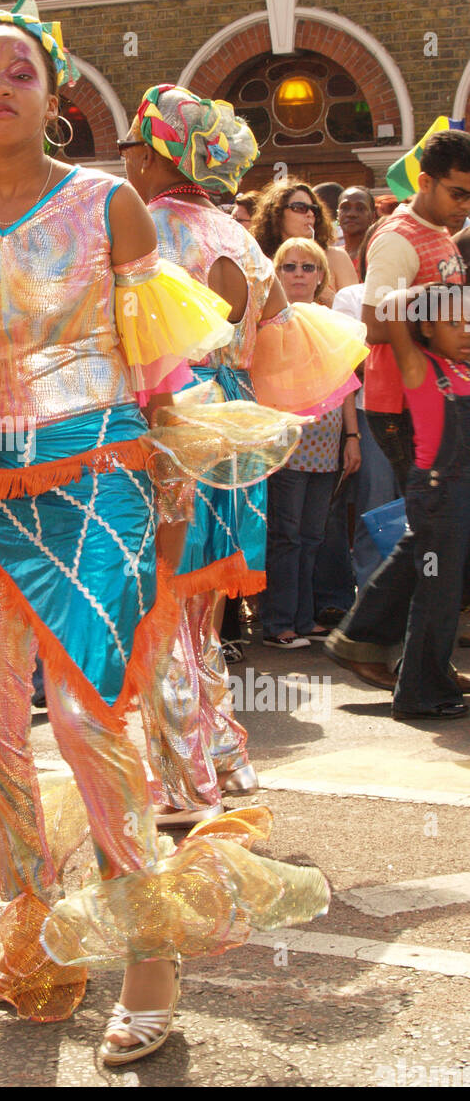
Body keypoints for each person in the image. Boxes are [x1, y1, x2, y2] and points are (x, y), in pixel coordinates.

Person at [0, 0, 330, 1060]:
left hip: (102, 484)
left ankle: (147, 952)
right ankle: (34, 939)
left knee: (86, 722)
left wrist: (173, 463)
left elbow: (157, 354)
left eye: (16, 73)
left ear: (56, 97)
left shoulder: (108, 204)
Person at [120, 88, 366, 822]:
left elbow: (131, 346)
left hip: (166, 424)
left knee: (158, 606)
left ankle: (181, 779)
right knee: (197, 613)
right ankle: (223, 755)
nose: (123, 162)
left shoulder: (143, 233)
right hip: (231, 435)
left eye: (132, 148)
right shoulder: (239, 241)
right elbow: (284, 346)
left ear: (155, 154)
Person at [327, 129, 470, 690]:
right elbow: (370, 322)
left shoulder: (439, 230)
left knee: (435, 533)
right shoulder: (396, 238)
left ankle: (371, 643)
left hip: (437, 401)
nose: (465, 204)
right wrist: (441, 328)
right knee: (436, 534)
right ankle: (401, 660)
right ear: (425, 182)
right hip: (403, 406)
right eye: (458, 193)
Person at [336, 283, 470, 719]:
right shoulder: (419, 365)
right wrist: (432, 290)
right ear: (427, 326)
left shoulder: (464, 368)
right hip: (437, 500)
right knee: (436, 594)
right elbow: (393, 309)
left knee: (448, 593)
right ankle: (419, 693)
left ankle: (431, 680)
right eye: (453, 322)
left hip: (462, 497)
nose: (465, 330)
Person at [262, 241, 361, 647]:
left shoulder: (331, 319)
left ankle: (304, 620)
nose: (298, 273)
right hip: (286, 439)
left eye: (307, 266)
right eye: (288, 267)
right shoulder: (268, 321)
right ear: (276, 273)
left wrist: (352, 436)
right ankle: (278, 624)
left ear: (321, 274)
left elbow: (346, 384)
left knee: (312, 535)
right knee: (285, 534)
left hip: (328, 442)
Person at [251, 178, 357, 304]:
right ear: (277, 213)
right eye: (300, 208)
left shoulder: (335, 258)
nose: (310, 214)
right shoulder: (260, 262)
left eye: (314, 209)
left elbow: (354, 312)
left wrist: (325, 295)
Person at [337, 185, 378, 266]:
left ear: (373, 217)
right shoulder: (331, 257)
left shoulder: (376, 255)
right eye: (345, 208)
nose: (351, 214)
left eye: (360, 208)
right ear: (337, 215)